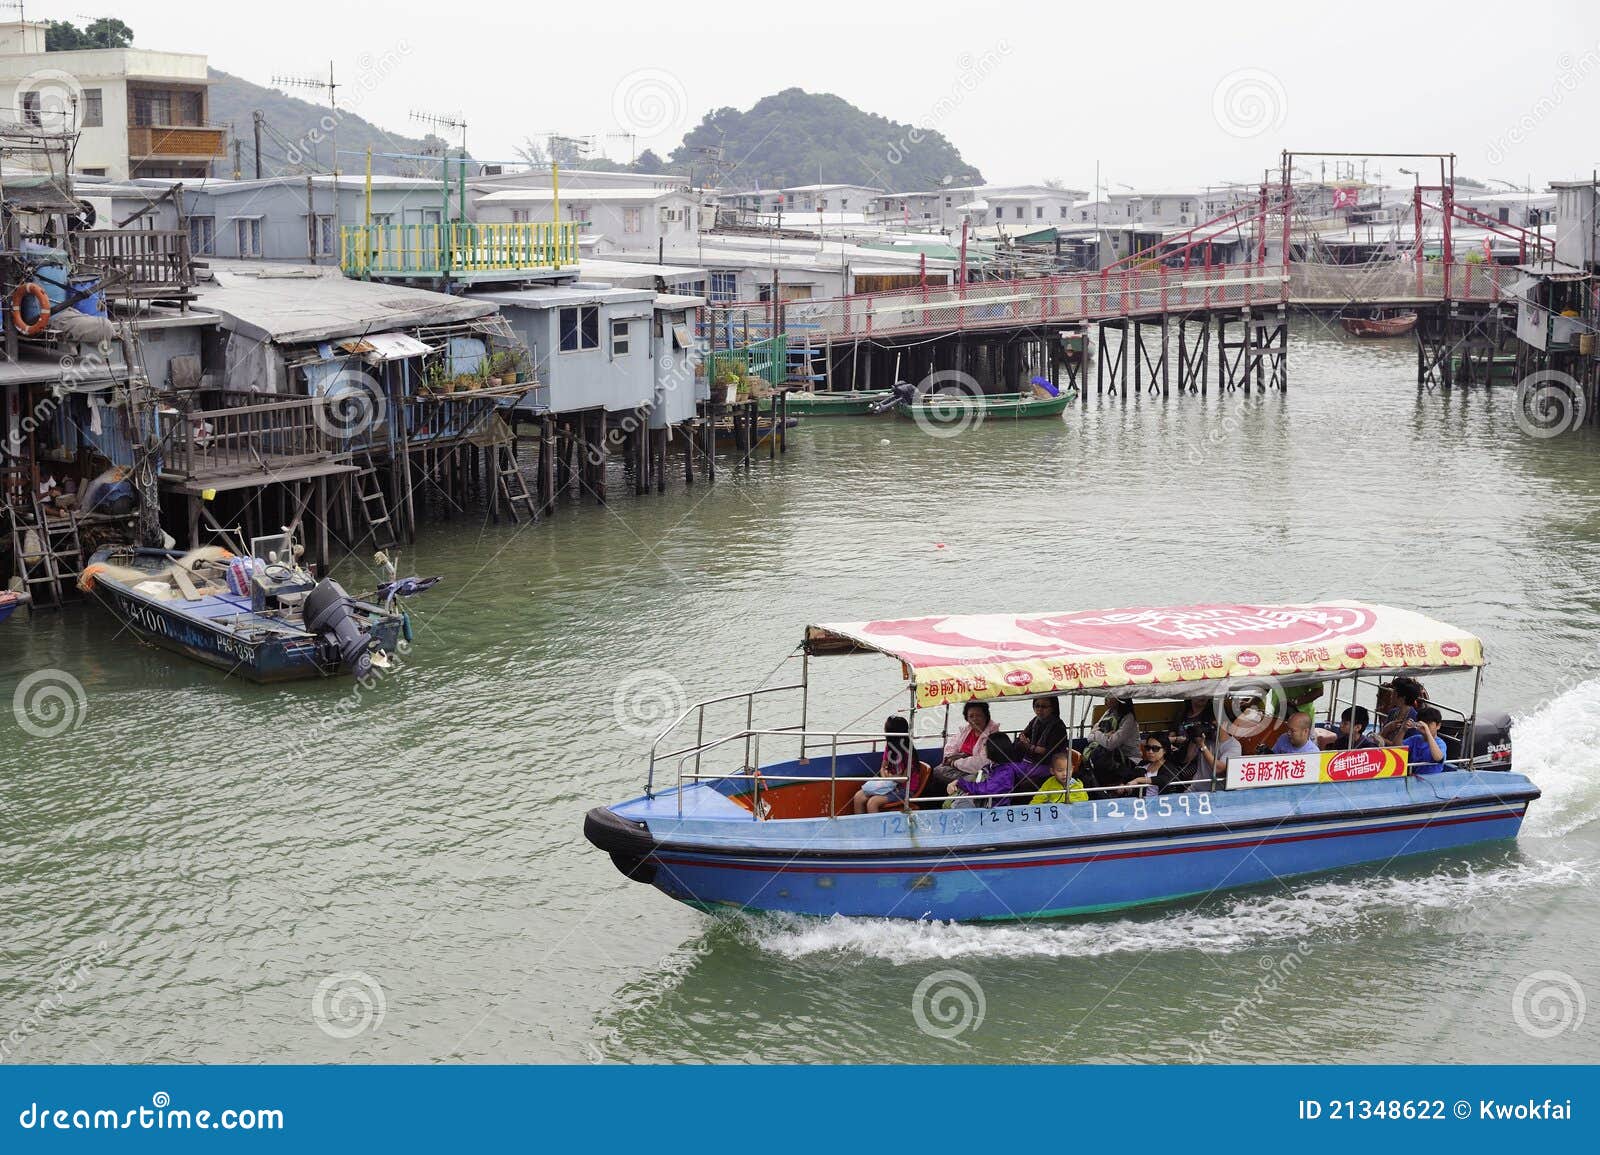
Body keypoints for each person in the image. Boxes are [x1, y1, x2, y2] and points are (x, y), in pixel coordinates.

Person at [850, 716, 930, 814]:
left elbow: (904, 778)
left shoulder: (908, 753)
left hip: (904, 789)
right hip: (889, 784)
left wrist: (890, 777)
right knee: (858, 797)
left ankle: (876, 828)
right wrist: (887, 778)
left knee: (872, 803)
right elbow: (883, 768)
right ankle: (862, 826)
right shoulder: (889, 747)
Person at [947, 733, 1037, 807]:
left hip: (994, 809)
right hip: (985, 804)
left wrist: (962, 783)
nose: (984, 747)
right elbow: (976, 776)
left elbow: (986, 789)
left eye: (986, 744)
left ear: (993, 749)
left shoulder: (1005, 772)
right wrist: (957, 781)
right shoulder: (990, 766)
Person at [929, 701, 999, 789]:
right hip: (959, 768)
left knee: (937, 772)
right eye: (971, 716)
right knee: (935, 772)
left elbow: (982, 762)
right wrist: (954, 758)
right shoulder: (965, 730)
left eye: (978, 715)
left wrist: (955, 762)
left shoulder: (993, 736)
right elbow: (950, 748)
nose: (975, 719)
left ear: (986, 716)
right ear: (967, 718)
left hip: (980, 773)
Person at [1080, 694, 1140, 790]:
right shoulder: (1108, 712)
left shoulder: (1129, 718)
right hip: (1107, 755)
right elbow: (1089, 737)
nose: (1106, 698)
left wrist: (1098, 734)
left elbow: (1111, 744)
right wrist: (1104, 736)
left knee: (1099, 764)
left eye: (1110, 696)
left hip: (1126, 758)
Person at [1014, 696, 1069, 767]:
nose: (1039, 709)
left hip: (1051, 765)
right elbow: (1023, 735)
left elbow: (1048, 751)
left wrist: (1029, 746)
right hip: (1033, 761)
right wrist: (1022, 740)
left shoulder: (1059, 727)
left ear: (1053, 708)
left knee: (1012, 770)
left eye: (1044, 706)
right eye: (1037, 706)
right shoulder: (1035, 721)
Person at [1403, 705, 1450, 773]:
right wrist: (1403, 730)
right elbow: (1397, 747)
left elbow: (1438, 758)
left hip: (1432, 780)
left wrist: (1427, 732)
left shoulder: (1440, 743)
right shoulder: (1415, 739)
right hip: (1414, 778)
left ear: (1438, 726)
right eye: (1423, 723)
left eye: (1429, 724)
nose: (1425, 726)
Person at [1379, 678, 1425, 745]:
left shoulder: (1414, 719)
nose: (1391, 696)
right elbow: (1382, 735)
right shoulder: (1393, 712)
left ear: (1402, 698)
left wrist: (1381, 739)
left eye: (1394, 692)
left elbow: (1406, 747)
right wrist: (1387, 729)